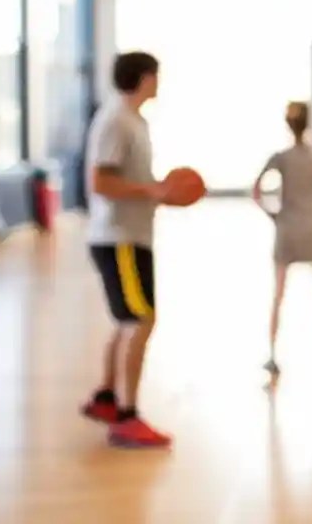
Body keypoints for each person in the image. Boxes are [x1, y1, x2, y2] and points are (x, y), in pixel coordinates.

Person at [79, 51, 177, 449]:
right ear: (143, 77)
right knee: (141, 320)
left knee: (127, 321)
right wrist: (152, 190)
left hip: (130, 235)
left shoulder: (132, 120)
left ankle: (106, 398)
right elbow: (101, 181)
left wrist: (156, 192)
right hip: (119, 238)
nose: (160, 81)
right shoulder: (117, 120)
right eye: (157, 75)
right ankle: (128, 416)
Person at [252, 101, 312, 375]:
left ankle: (272, 354)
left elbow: (256, 191)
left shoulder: (280, 157)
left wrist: (275, 215)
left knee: (278, 294)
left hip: (287, 230)